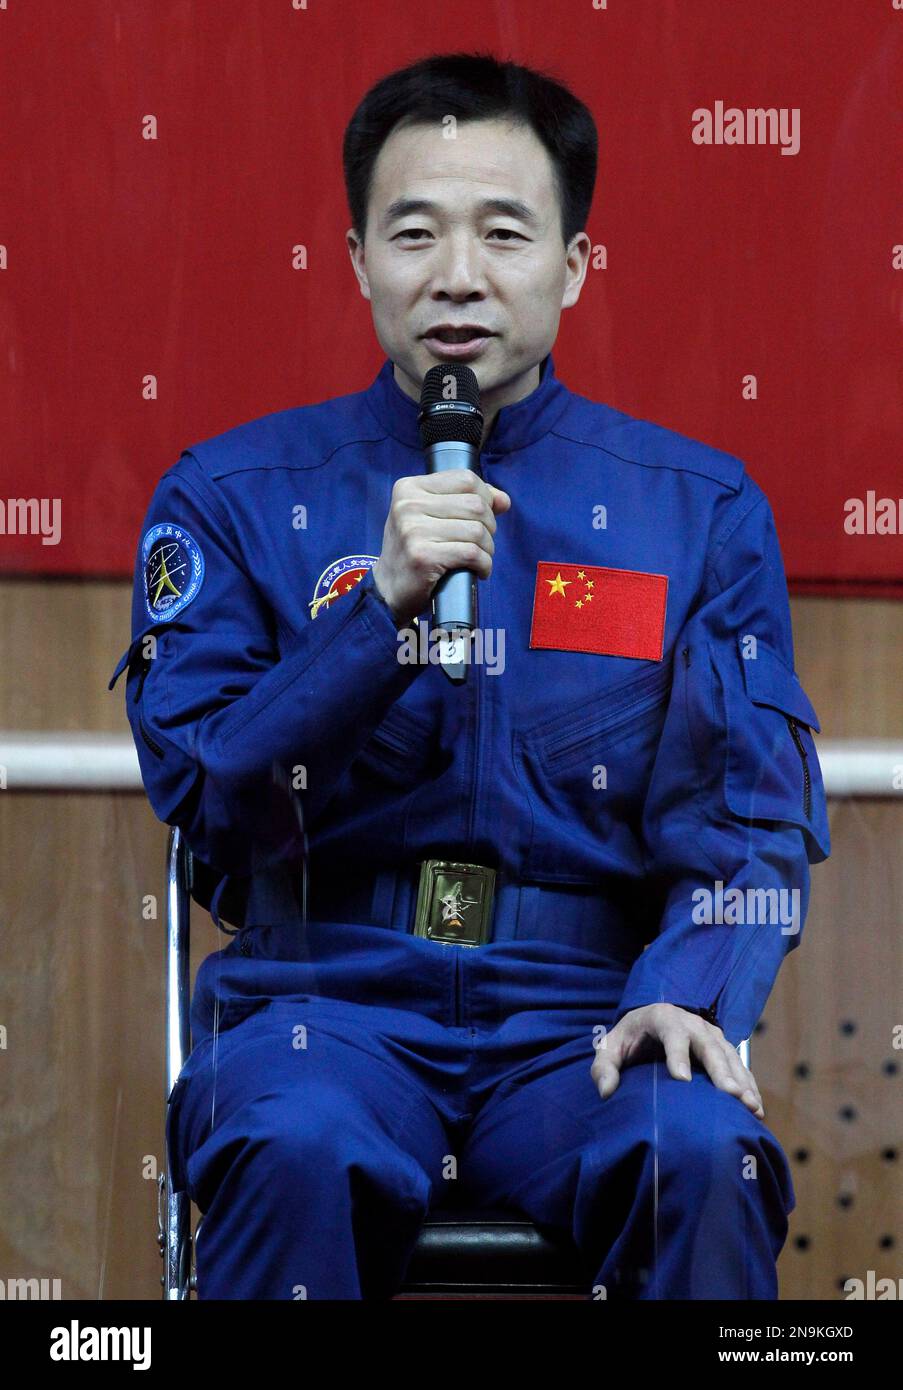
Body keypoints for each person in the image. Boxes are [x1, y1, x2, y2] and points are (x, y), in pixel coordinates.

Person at [109, 52, 831, 1300]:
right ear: (355, 261)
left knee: (698, 1152)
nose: (457, 275)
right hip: (321, 1008)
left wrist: (688, 991)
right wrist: (376, 614)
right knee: (295, 1146)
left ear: (573, 265)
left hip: (581, 1017)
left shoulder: (696, 510)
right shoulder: (231, 496)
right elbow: (217, 800)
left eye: (504, 233)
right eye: (414, 234)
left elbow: (748, 819)